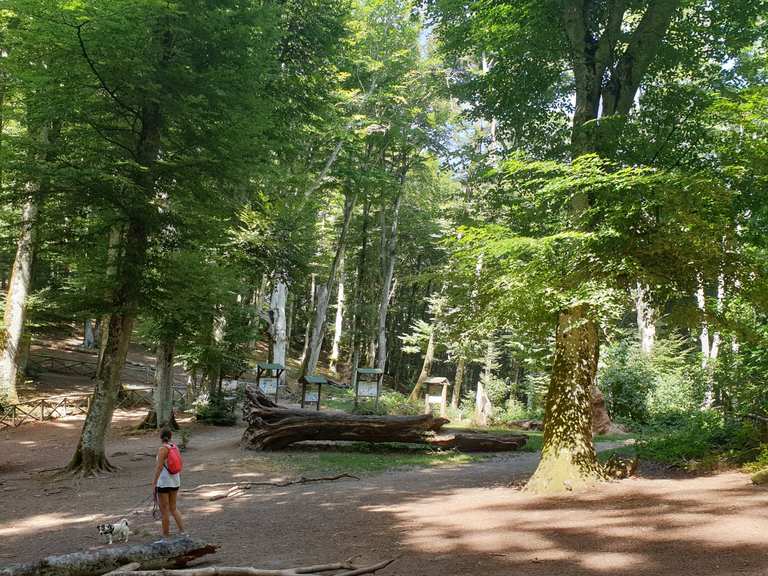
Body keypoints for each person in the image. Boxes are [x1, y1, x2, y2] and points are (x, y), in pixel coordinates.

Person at [152, 429, 185, 538]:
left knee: (164, 510)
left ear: (160, 437)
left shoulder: (162, 449)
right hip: (175, 481)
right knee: (173, 508)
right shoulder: (174, 447)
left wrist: (154, 482)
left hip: (164, 483)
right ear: (170, 437)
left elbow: (159, 467)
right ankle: (183, 531)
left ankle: (166, 535)